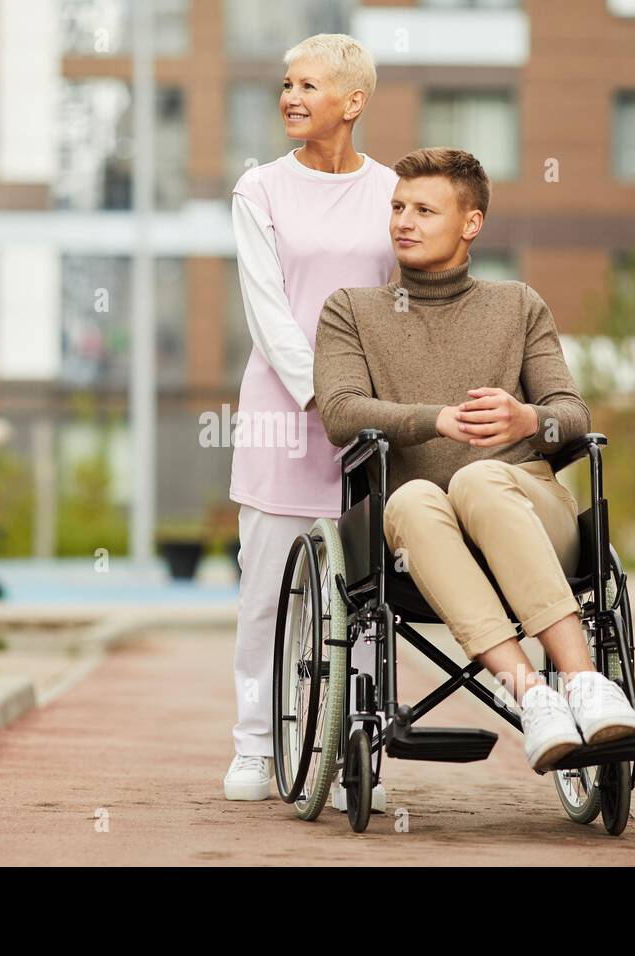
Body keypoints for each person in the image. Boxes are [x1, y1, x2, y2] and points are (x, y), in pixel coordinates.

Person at [313, 147, 635, 773]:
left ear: (471, 224)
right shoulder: (350, 311)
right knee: (411, 497)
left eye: (424, 210)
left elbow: (573, 416)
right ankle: (533, 697)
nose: (403, 222)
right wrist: (429, 418)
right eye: (398, 207)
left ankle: (584, 685)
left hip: (526, 510)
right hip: (417, 536)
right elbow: (340, 412)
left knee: (482, 478)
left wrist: (526, 419)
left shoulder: (518, 305)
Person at [225, 33, 394, 808]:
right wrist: (323, 398)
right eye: (286, 83)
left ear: (353, 102)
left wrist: (378, 408)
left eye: (309, 85)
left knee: (363, 595)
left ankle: (354, 744)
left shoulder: (393, 191)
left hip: (369, 424)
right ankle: (255, 748)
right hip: (284, 412)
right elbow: (268, 315)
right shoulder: (258, 188)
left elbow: (400, 311)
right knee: (267, 592)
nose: (291, 96)